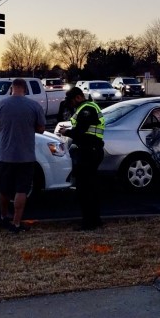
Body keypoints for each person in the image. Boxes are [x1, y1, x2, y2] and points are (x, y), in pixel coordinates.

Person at [0, 78, 46, 233]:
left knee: (4, 188)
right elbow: (41, 129)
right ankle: (16, 223)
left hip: (6, 155)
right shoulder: (34, 106)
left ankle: (3, 217)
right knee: (22, 189)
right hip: (26, 156)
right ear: (25, 89)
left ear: (11, 89)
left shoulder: (0, 105)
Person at [59, 87, 105, 230]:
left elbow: (81, 131)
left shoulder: (86, 109)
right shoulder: (88, 107)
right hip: (91, 149)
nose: (71, 104)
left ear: (78, 97)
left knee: (85, 188)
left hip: (89, 151)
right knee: (91, 187)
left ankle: (88, 222)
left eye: (72, 101)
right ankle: (95, 220)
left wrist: (66, 132)